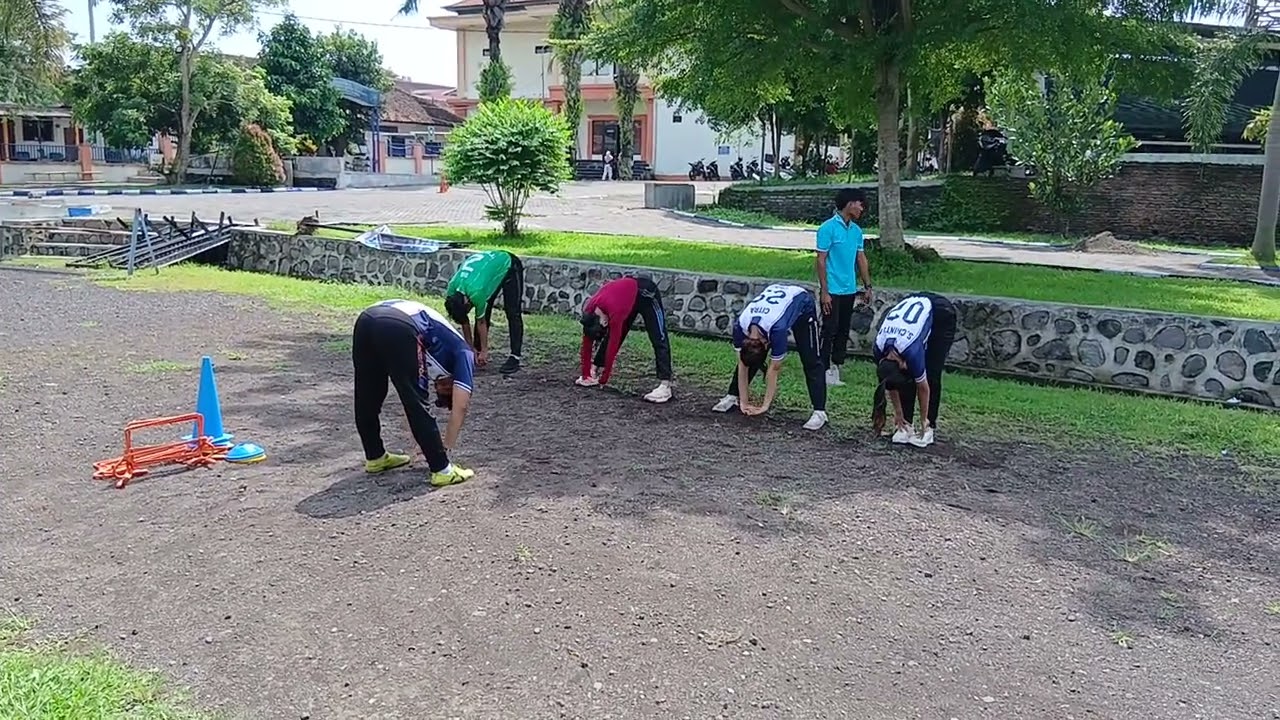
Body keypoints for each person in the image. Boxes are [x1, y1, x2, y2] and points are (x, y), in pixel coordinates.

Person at [351, 298, 477, 487]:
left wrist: (423, 444)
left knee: (368, 393)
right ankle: (442, 470)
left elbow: (409, 401)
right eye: (445, 394)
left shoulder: (437, 352)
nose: (440, 390)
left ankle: (375, 456)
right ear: (454, 382)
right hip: (398, 323)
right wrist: (445, 448)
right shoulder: (464, 353)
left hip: (368, 319)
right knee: (392, 396)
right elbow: (461, 405)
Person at [711, 283, 828, 431]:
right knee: (750, 357)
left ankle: (819, 412)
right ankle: (732, 396)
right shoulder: (739, 326)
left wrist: (764, 406)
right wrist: (744, 403)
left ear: (767, 344)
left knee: (811, 360)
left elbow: (774, 369)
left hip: (802, 305)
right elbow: (742, 363)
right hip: (773, 304)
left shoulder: (777, 330)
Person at [870, 291, 958, 448]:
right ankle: (906, 424)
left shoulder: (911, 350)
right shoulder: (879, 349)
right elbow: (890, 382)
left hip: (940, 312)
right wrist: (898, 413)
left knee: (931, 371)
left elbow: (923, 387)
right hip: (914, 308)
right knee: (900, 376)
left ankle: (929, 428)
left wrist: (924, 419)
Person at [576, 275, 673, 403]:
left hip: (645, 293)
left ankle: (665, 386)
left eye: (603, 324)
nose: (606, 325)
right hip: (626, 297)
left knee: (658, 335)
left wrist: (604, 379)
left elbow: (613, 344)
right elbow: (587, 341)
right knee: (610, 334)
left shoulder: (615, 311)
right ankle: (594, 369)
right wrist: (586, 374)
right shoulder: (590, 310)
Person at [816, 187, 874, 387]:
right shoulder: (827, 228)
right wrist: (824, 292)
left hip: (849, 289)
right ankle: (822, 368)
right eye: (860, 204)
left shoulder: (857, 231)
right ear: (850, 204)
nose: (862, 209)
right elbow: (821, 261)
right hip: (832, 289)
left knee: (842, 330)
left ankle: (836, 367)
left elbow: (861, 258)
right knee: (829, 329)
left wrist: (868, 286)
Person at [443, 249, 525, 376]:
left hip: (508, 264)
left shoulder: (476, 292)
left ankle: (515, 356)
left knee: (512, 312)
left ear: (467, 303)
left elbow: (481, 321)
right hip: (487, 273)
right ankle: (477, 350)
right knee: (485, 308)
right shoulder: (452, 290)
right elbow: (464, 322)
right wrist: (470, 349)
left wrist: (485, 351)